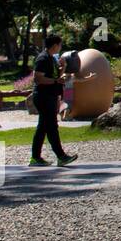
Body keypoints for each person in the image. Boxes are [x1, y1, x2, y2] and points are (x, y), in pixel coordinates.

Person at [29, 34, 78, 168]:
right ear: (55, 45)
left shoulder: (51, 58)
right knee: (50, 127)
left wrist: (63, 66)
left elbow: (57, 77)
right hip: (43, 96)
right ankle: (60, 156)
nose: (61, 47)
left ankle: (36, 157)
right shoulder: (43, 58)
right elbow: (38, 78)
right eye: (60, 45)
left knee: (44, 128)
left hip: (50, 96)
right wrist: (56, 81)